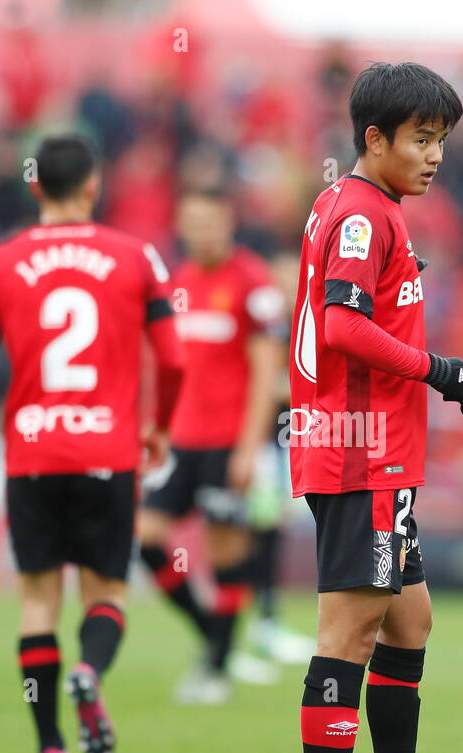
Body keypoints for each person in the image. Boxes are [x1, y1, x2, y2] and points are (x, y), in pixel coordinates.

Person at [0, 134, 184, 753]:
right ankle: (89, 671)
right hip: (109, 451)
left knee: (36, 602)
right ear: (93, 185)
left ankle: (50, 747)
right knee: (107, 593)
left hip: (32, 454)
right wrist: (159, 426)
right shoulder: (136, 256)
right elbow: (174, 358)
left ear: (34, 185)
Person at [287, 61, 463, 753]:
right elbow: (341, 326)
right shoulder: (365, 216)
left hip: (371, 454)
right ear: (375, 138)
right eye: (421, 139)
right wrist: (436, 368)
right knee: (350, 633)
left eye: (441, 140)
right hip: (359, 453)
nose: (434, 155)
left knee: (410, 619)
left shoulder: (349, 203)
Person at [137, 189, 288, 703]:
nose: (200, 232)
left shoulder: (252, 282)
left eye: (209, 221)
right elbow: (168, 365)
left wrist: (249, 449)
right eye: (192, 222)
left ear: (228, 223)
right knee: (146, 536)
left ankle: (216, 671)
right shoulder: (177, 282)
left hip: (228, 442)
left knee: (225, 552)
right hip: (182, 440)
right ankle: (211, 634)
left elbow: (266, 372)